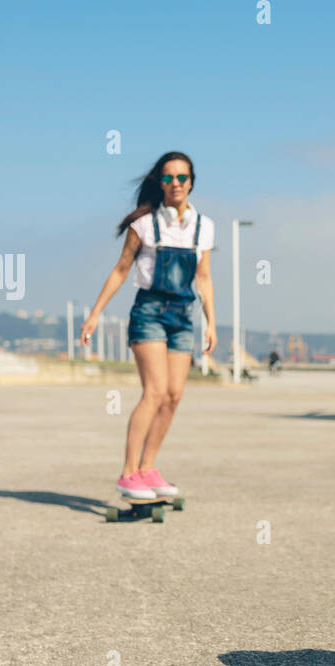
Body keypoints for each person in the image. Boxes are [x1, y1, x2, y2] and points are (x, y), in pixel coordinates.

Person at [80, 151, 217, 501]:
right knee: (154, 392)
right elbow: (121, 269)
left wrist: (211, 322)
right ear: (160, 183)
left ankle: (147, 468)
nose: (175, 184)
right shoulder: (143, 225)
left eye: (182, 178)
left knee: (173, 396)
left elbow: (203, 277)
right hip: (150, 313)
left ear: (191, 183)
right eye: (169, 178)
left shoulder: (203, 227)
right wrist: (95, 313)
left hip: (184, 316)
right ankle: (127, 473)